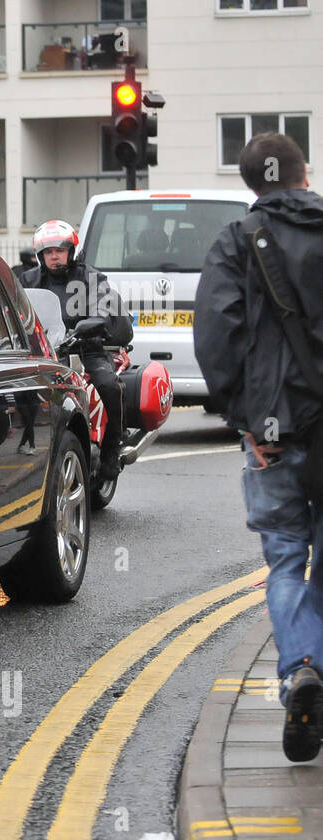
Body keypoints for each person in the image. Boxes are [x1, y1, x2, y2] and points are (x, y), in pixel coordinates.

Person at [194, 132, 323, 762]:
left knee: (284, 562)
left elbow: (217, 337)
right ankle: (314, 667)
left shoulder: (234, 242)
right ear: (304, 174)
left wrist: (245, 418)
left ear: (250, 185)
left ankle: (300, 666)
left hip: (273, 433)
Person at [19, 219, 133, 476]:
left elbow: (103, 304)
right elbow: (17, 309)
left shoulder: (90, 277)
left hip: (85, 347)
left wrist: (94, 322)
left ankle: (111, 451)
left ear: (70, 251)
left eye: (59, 250)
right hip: (46, 350)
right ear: (41, 255)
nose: (54, 256)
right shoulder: (28, 279)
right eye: (48, 252)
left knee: (108, 385)